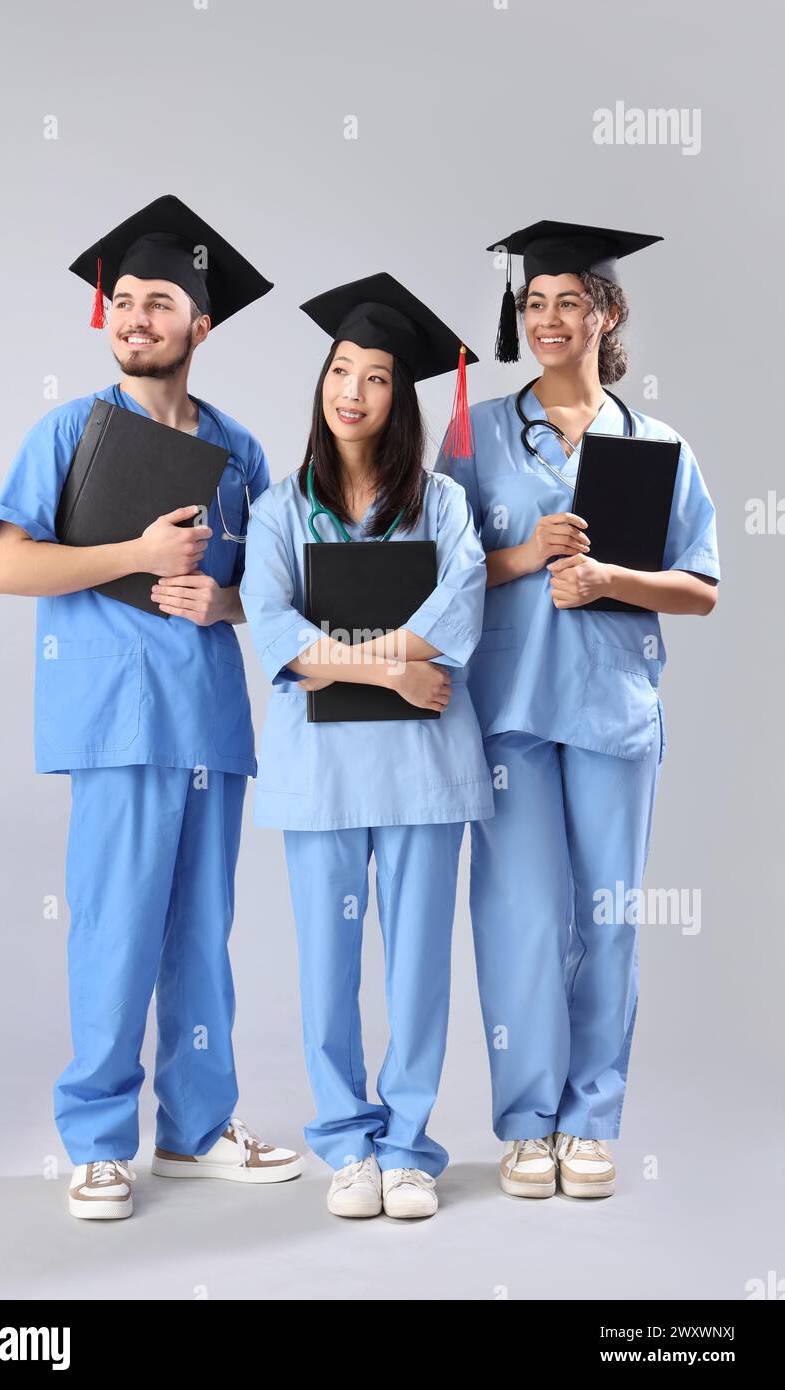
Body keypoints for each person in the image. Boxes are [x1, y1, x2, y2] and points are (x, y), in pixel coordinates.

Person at [0, 194, 302, 1221]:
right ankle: (96, 1143)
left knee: (202, 935)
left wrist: (225, 599)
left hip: (208, 718)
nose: (134, 318)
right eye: (121, 300)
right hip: (115, 720)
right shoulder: (70, 431)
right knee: (115, 932)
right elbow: (5, 565)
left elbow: (271, 587)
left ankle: (197, 1132)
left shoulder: (238, 452)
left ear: (199, 324)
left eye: (158, 302)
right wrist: (136, 552)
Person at [435, 219, 720, 1199]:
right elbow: (436, 573)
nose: (548, 318)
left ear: (607, 312)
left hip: (611, 708)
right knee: (517, 914)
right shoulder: (474, 434)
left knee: (608, 916)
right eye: (534, 302)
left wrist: (608, 580)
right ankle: (526, 1123)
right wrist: (525, 557)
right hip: (510, 709)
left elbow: (700, 588)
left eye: (568, 301)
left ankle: (590, 1119)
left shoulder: (656, 446)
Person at [239, 272, 493, 1220]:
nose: (351, 390)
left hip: (425, 768)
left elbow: (457, 610)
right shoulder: (278, 510)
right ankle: (347, 1143)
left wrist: (338, 658)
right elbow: (277, 635)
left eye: (376, 376)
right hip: (324, 772)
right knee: (327, 967)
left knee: (419, 965)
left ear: (400, 397)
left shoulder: (444, 505)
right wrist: (391, 673)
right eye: (340, 369)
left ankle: (409, 1147)